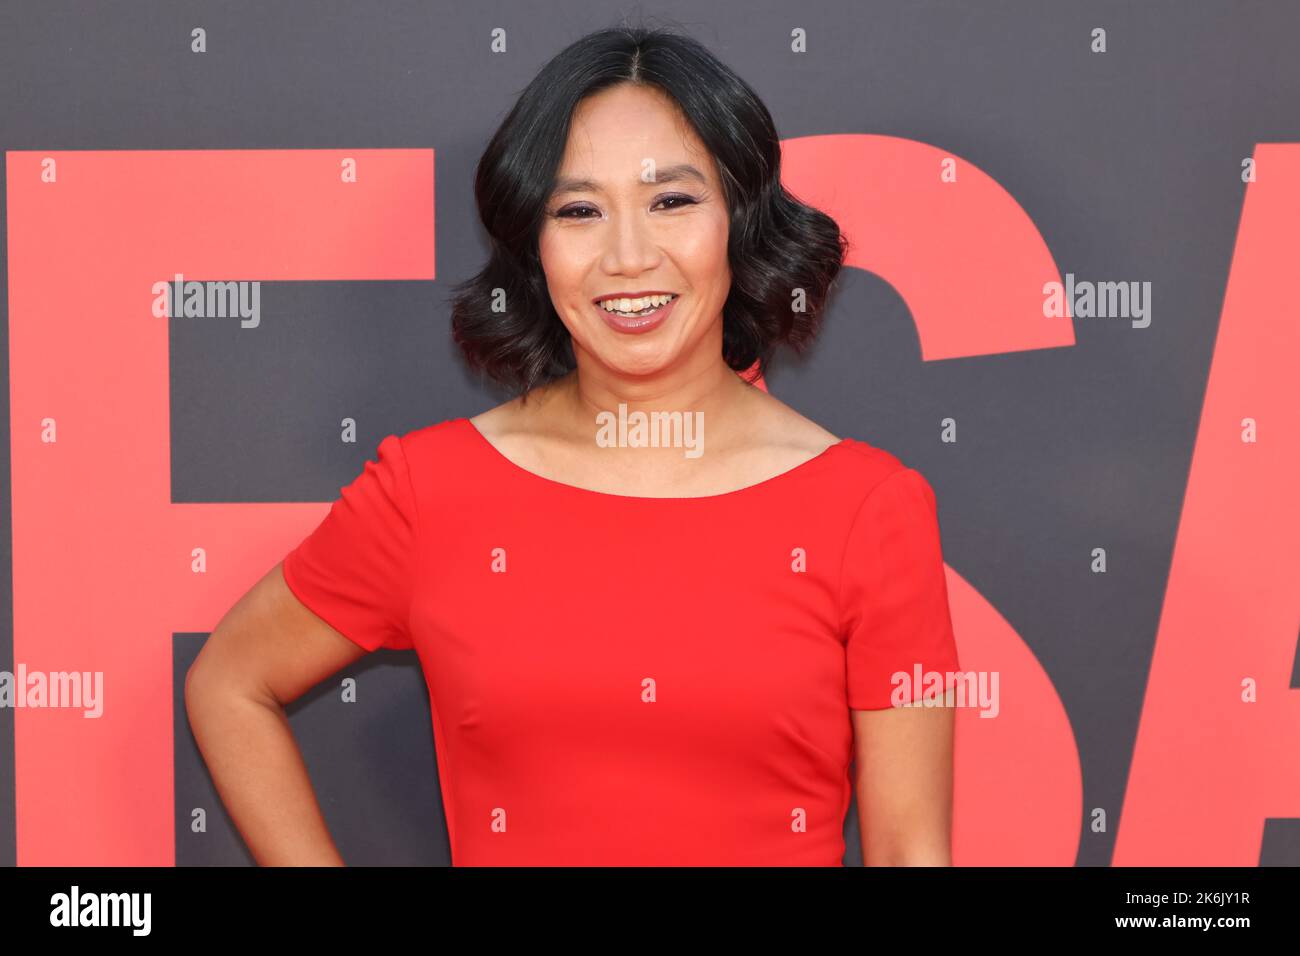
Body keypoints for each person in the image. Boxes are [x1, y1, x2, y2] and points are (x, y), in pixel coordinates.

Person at [185, 23, 961, 867]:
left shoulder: (865, 508)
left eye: (672, 200)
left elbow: (909, 847)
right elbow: (230, 682)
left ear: (740, 220)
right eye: (580, 210)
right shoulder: (431, 490)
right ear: (534, 245)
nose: (628, 257)